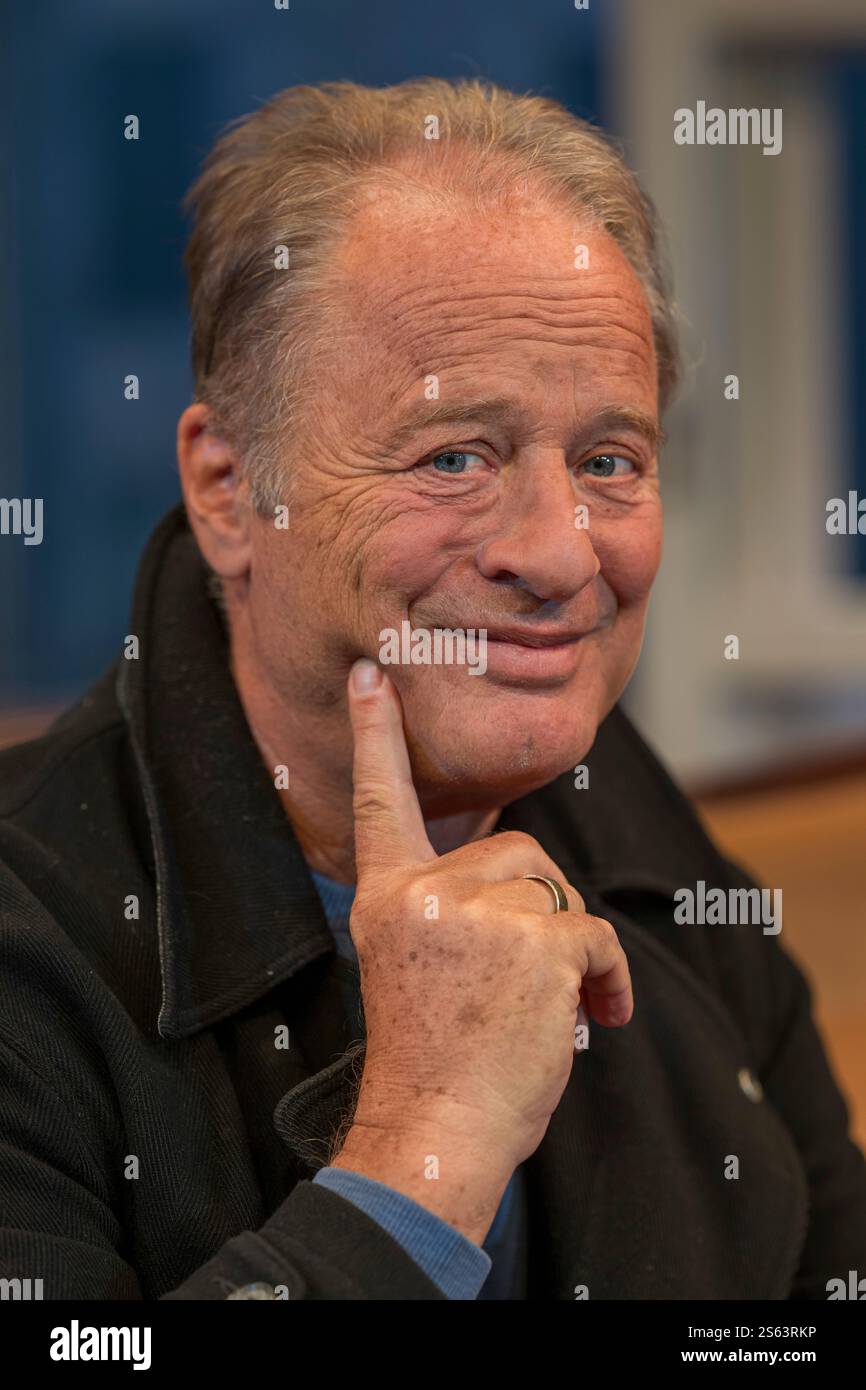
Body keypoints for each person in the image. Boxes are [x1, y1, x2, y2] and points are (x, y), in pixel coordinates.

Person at [1, 77, 864, 1300]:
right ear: (225, 486)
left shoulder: (638, 839)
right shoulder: (32, 942)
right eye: (454, 456)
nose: (563, 554)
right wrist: (425, 1149)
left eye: (607, 460)